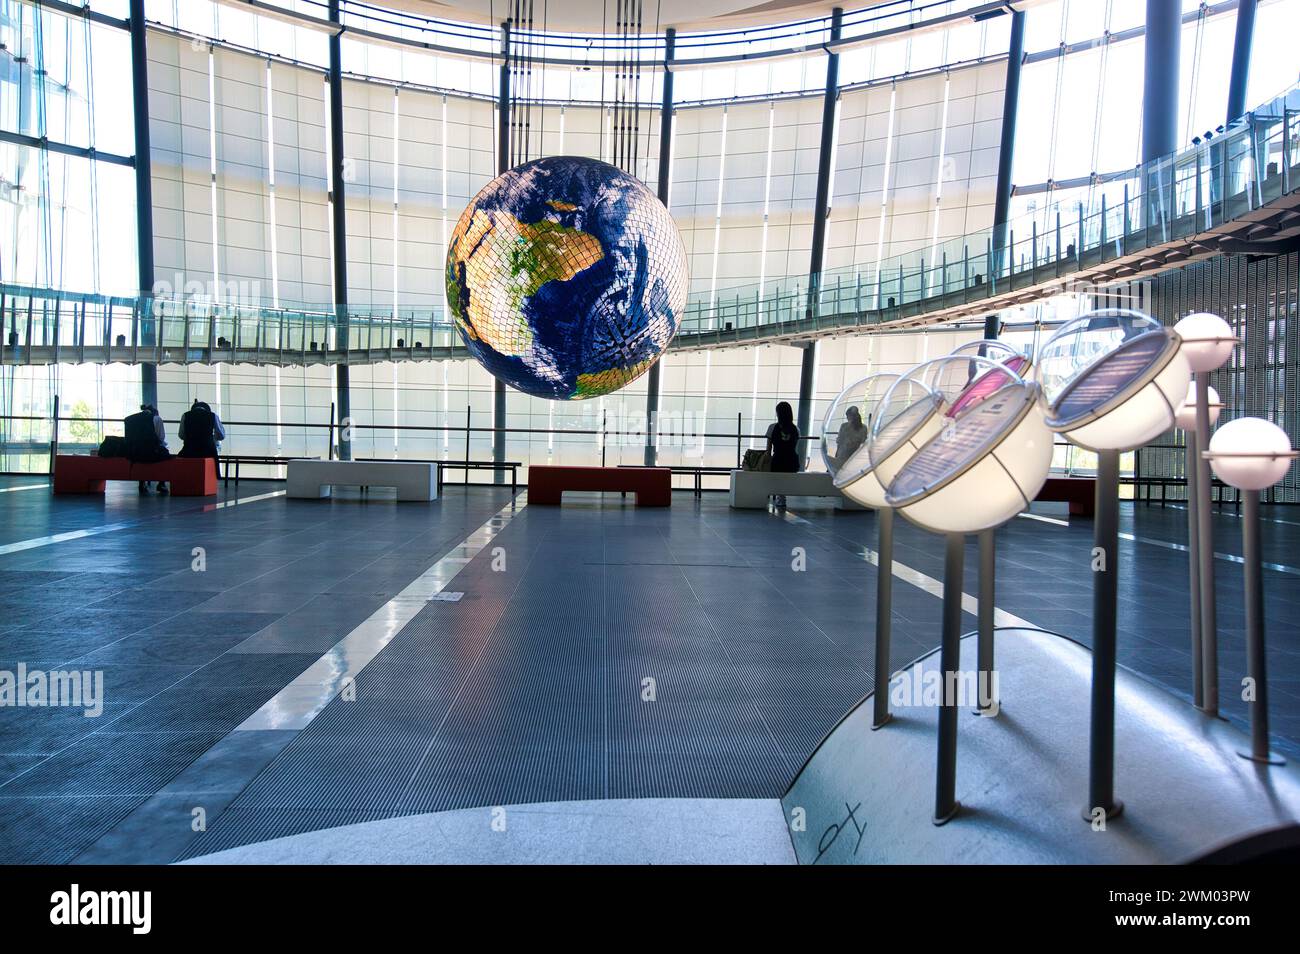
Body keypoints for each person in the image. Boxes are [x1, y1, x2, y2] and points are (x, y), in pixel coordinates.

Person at [124, 404, 170, 494]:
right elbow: (161, 438)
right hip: (152, 451)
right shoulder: (157, 419)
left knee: (142, 457)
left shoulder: (134, 419)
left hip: (135, 452)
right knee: (166, 455)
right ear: (155, 412)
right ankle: (161, 483)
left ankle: (142, 482)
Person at [765, 401, 801, 508]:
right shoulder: (795, 429)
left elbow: (768, 449)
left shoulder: (772, 427)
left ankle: (777, 495)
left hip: (778, 460)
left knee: (776, 475)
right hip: (792, 461)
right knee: (784, 475)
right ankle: (782, 497)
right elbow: (794, 446)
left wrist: (767, 457)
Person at [834, 405, 869, 470]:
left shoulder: (844, 426)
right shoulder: (863, 428)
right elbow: (863, 442)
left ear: (851, 416)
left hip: (846, 456)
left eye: (847, 416)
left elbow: (839, 442)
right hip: (851, 456)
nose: (847, 418)